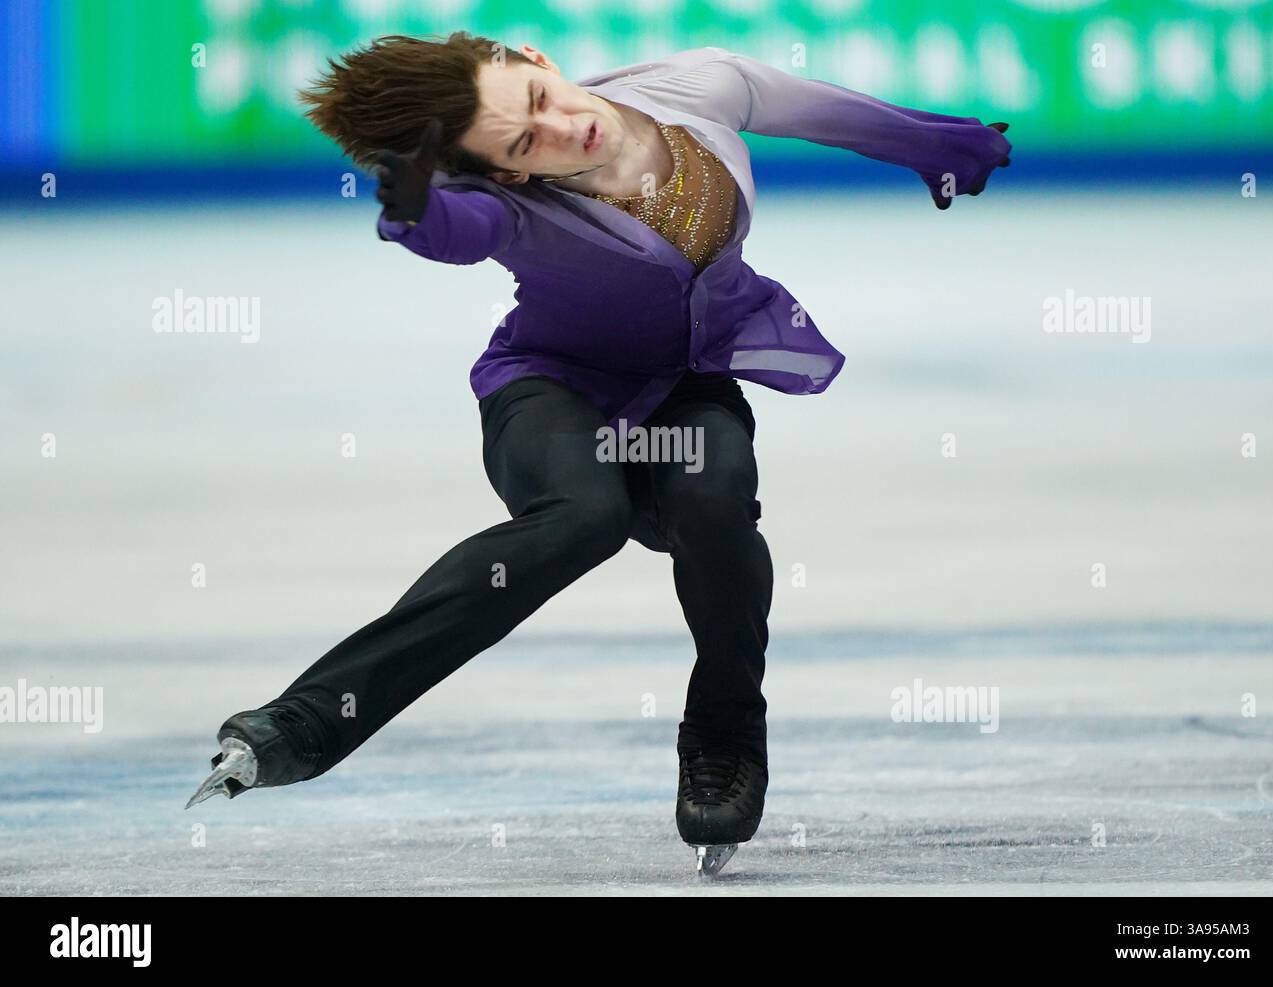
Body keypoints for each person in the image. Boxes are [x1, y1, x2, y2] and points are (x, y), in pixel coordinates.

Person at [187, 31, 1011, 873]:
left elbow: (816, 109)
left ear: (537, 61)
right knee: (586, 516)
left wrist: (934, 143)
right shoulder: (515, 207)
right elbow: (462, 228)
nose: (558, 129)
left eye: (540, 100)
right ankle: (304, 723)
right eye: (522, 144)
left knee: (713, 496)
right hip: (551, 395)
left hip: (683, 383)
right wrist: (417, 211)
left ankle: (725, 737)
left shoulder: (696, 86)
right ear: (505, 170)